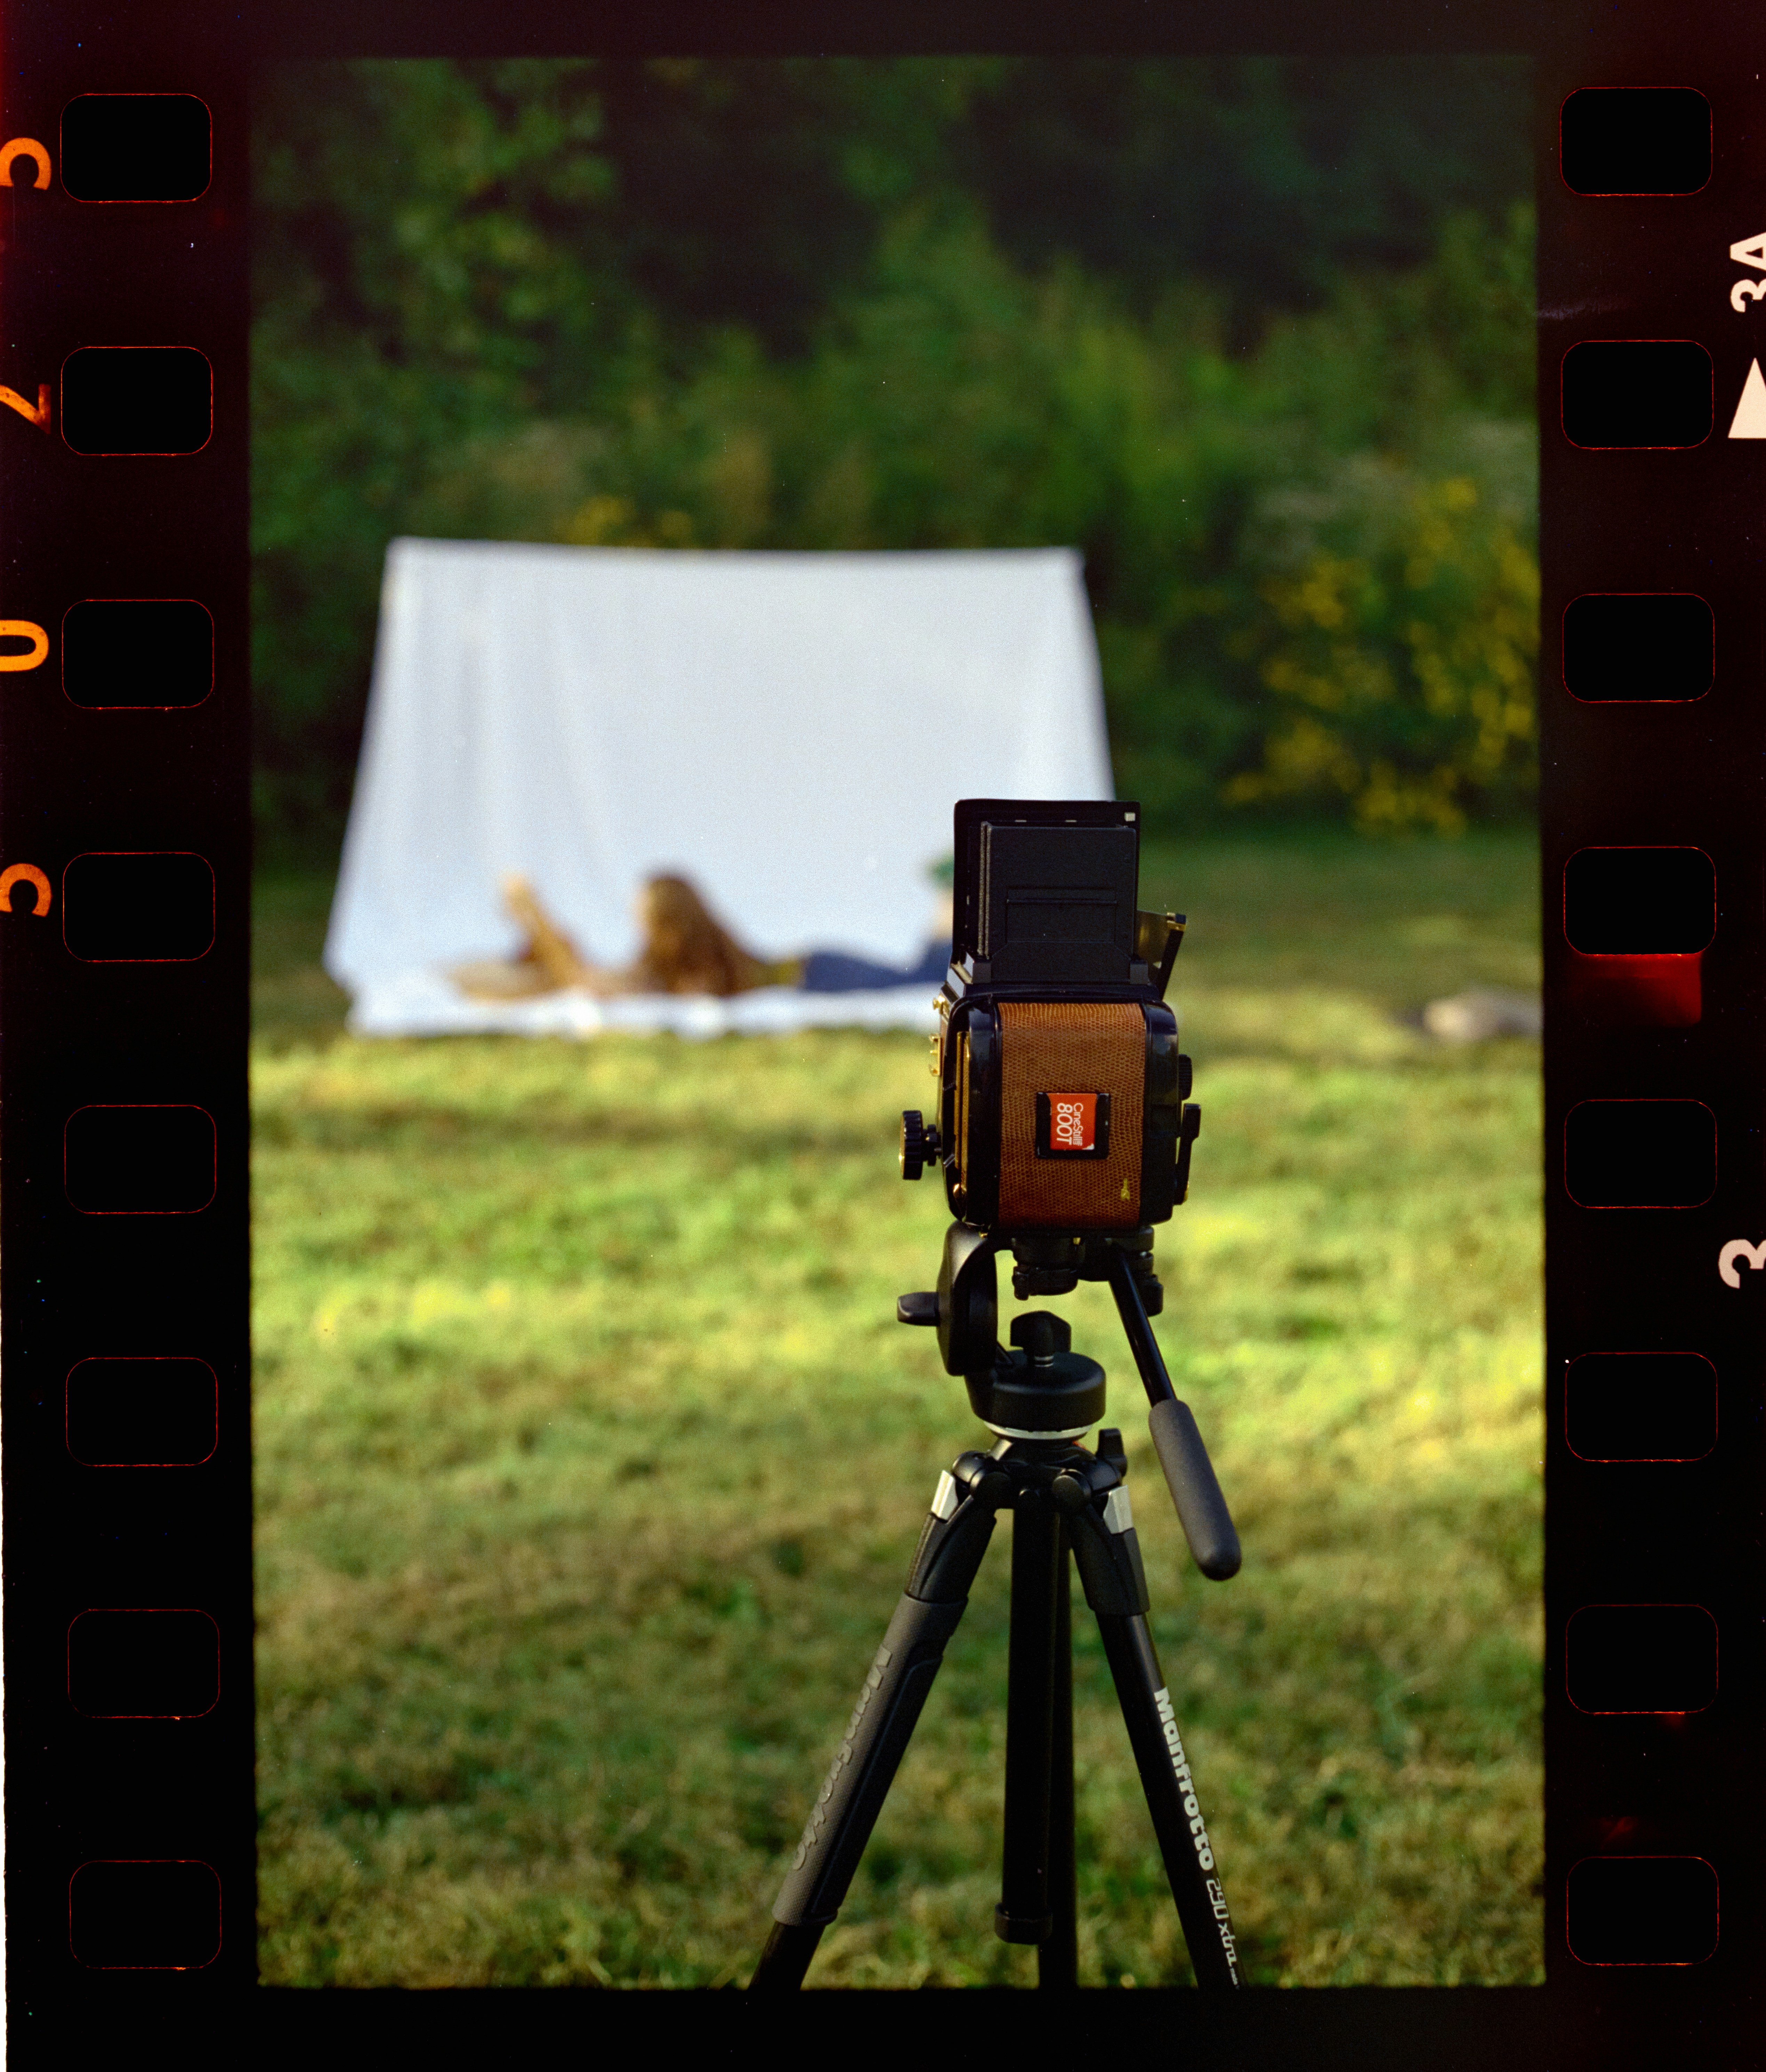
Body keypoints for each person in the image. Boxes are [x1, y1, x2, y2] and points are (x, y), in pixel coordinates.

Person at [450, 871, 950, 1002]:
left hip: (819, 973)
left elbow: (593, 983)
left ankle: (949, 900)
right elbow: (595, 979)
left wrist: (535, 912)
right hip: (813, 969)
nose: (637, 923)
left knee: (921, 980)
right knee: (919, 977)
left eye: (644, 916)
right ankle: (946, 911)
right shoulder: (668, 963)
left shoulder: (699, 964)